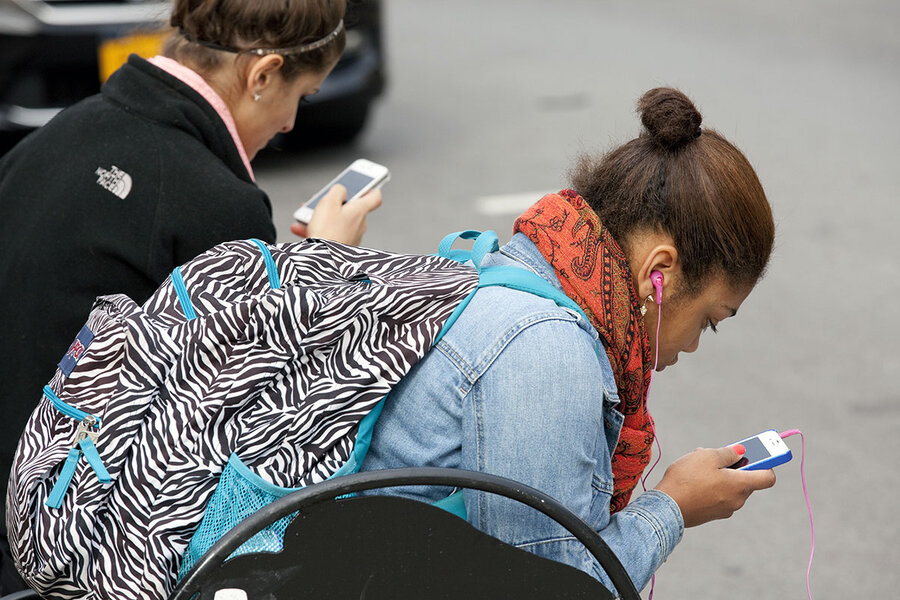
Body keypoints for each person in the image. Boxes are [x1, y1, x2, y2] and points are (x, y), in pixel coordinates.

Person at [0, 0, 380, 591]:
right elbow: (258, 415)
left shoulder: (56, 136)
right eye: (299, 98)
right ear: (262, 75)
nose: (289, 125)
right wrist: (323, 262)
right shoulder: (218, 204)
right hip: (64, 542)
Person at [359, 87, 777, 593]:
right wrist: (672, 508)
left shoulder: (526, 268)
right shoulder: (544, 352)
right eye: (710, 319)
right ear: (659, 272)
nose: (691, 346)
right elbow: (547, 589)